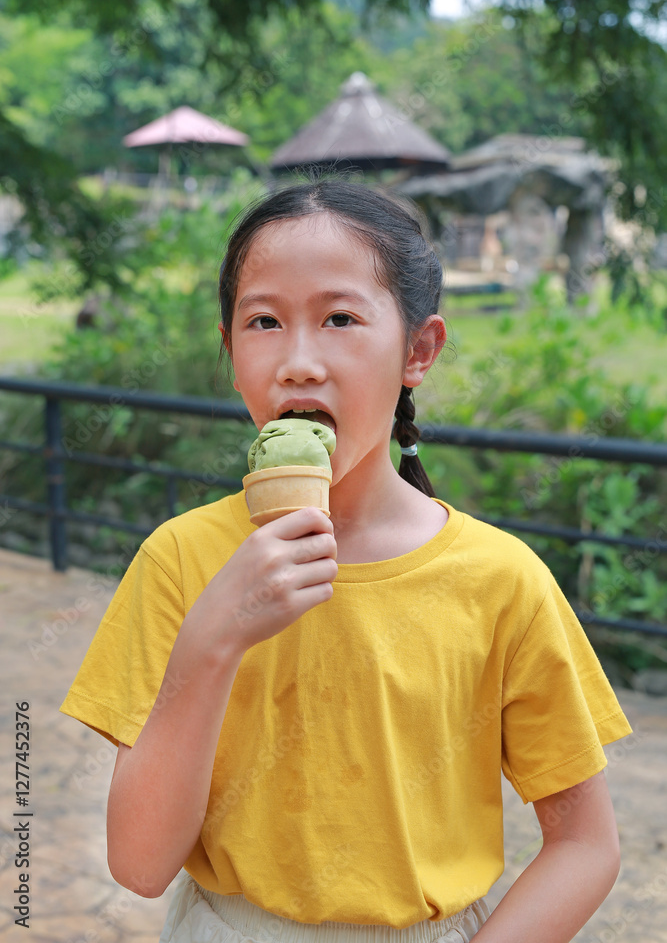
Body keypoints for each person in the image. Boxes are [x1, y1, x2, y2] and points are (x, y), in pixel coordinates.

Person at [61, 178, 632, 943]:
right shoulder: (181, 561)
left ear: (417, 351)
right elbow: (137, 864)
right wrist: (212, 643)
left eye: (339, 318)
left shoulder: (501, 582)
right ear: (231, 356)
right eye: (263, 321)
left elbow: (584, 845)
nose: (298, 361)